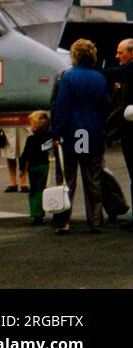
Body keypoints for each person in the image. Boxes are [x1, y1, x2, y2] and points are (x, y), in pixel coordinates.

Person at [52, 39, 108, 234]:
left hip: (72, 131)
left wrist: (56, 132)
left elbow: (62, 107)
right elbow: (104, 107)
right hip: (93, 130)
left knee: (67, 177)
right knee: (93, 177)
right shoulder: (100, 78)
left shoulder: (68, 77)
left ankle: (63, 220)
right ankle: (96, 220)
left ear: (74, 56)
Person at [101, 37, 133, 229]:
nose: (117, 56)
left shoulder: (130, 70)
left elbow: (115, 74)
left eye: (120, 52)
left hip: (129, 132)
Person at [19, 110, 53, 226]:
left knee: (33, 190)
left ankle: (34, 212)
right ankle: (40, 213)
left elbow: (24, 155)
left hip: (32, 167)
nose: (30, 127)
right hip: (44, 165)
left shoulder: (31, 139)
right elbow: (49, 148)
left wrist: (21, 168)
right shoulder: (49, 137)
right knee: (40, 189)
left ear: (37, 126)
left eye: (31, 124)